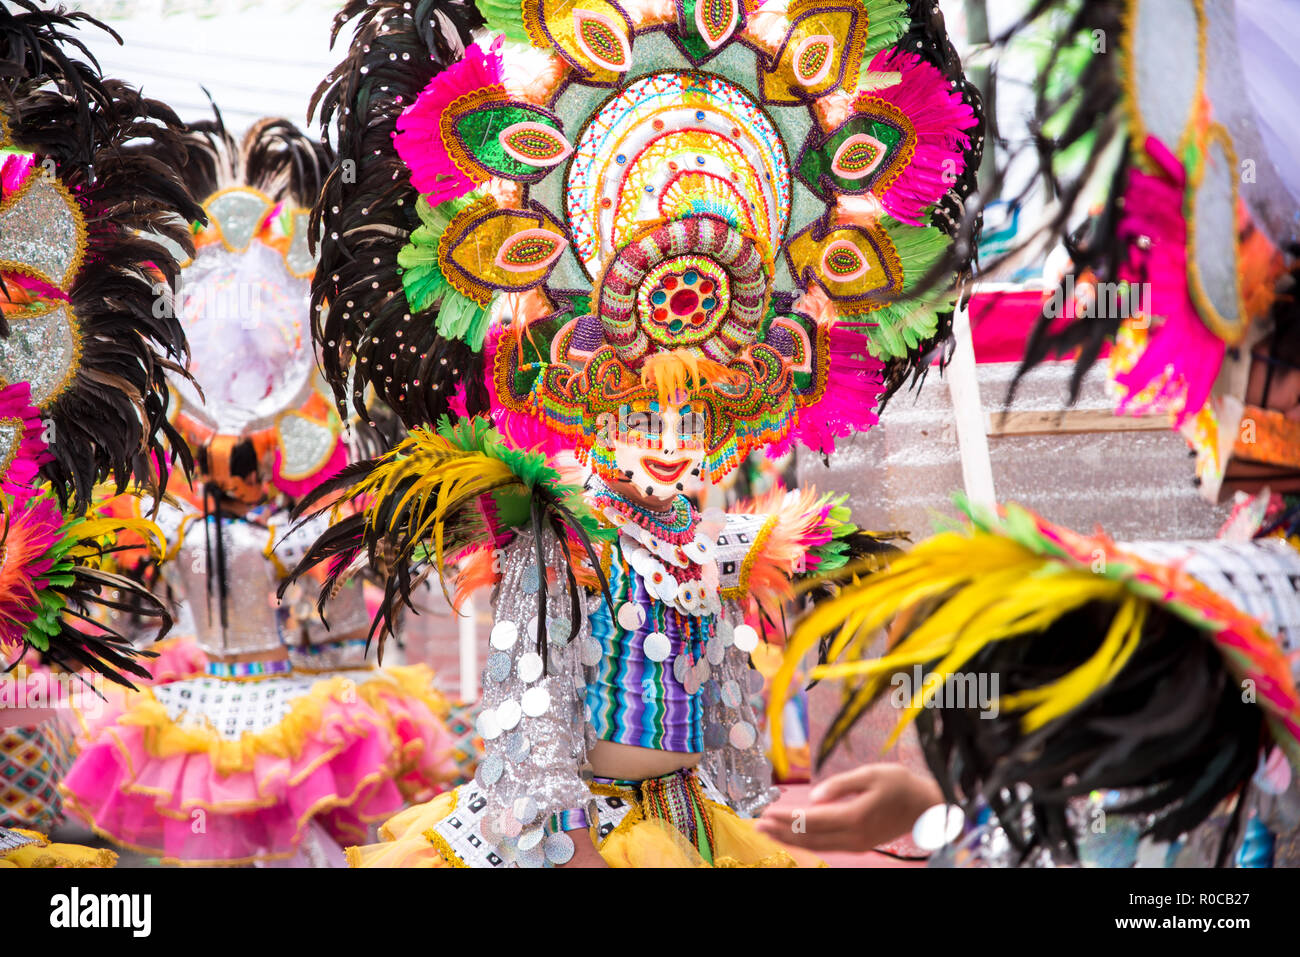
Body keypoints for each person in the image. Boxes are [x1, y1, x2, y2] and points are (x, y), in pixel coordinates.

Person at [287, 0, 984, 867]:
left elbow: (753, 652)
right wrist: (570, 844)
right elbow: (530, 699)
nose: (669, 438)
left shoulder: (711, 544)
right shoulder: (566, 536)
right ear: (591, 416)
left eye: (694, 415)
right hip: (596, 833)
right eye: (642, 414)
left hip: (694, 819)